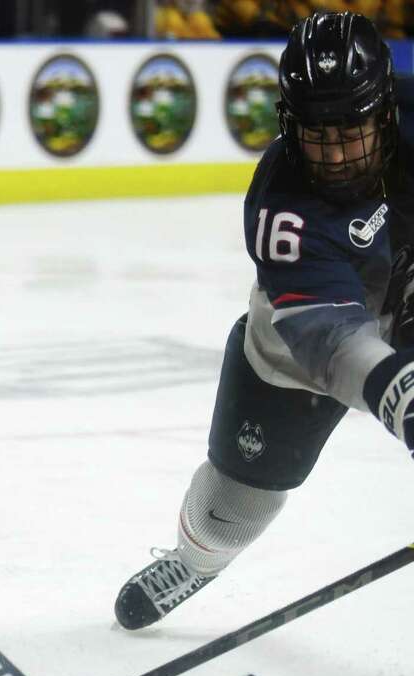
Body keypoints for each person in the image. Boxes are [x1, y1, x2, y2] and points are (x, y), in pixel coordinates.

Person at [115, 12, 413, 630]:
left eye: (350, 132)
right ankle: (196, 560)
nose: (335, 155)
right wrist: (404, 397)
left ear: (385, 112)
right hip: (305, 343)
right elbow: (336, 346)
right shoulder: (284, 210)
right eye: (316, 135)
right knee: (232, 504)